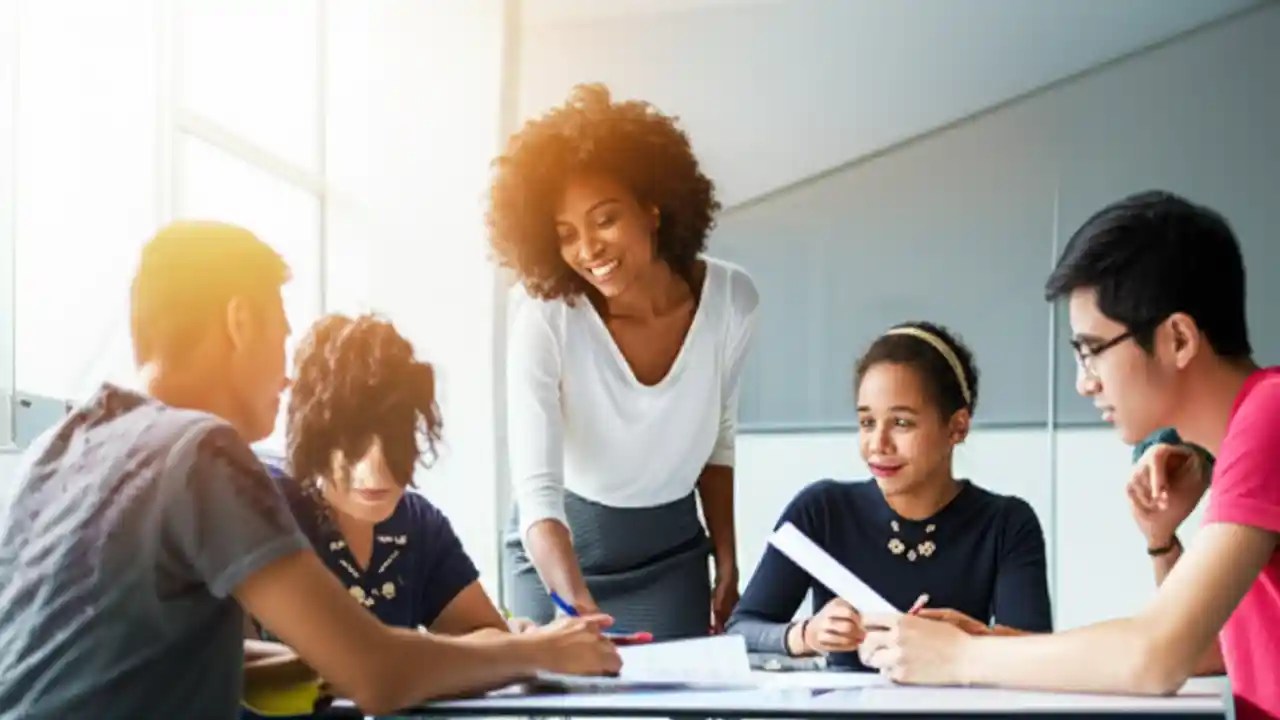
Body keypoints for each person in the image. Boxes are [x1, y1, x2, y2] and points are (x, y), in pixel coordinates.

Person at [0, 221, 619, 720]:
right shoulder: (201, 449)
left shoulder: (58, 449)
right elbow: (377, 677)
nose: (285, 373)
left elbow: (130, 651)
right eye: (279, 334)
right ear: (240, 321)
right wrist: (540, 650)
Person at [859, 191, 1279, 720]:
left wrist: (964, 655)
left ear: (1177, 338)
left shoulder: (1270, 416)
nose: (1084, 383)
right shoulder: (1255, 425)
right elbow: (1207, 651)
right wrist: (1161, 543)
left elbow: (1155, 658)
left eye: (1092, 350)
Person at [487, 83, 759, 638]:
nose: (588, 250)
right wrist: (576, 608)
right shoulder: (545, 314)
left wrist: (727, 556)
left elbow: (718, 437)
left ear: (653, 207)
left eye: (605, 219)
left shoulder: (732, 301)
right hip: (557, 551)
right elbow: (536, 492)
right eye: (565, 234)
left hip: (670, 556)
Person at [727, 322, 1052, 667]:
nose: (878, 445)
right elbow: (740, 633)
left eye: (901, 423)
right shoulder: (821, 511)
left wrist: (965, 640)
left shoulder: (1006, 523)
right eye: (867, 423)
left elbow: (1037, 656)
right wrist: (805, 634)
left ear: (957, 427)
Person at [259, 313, 528, 637]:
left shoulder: (418, 525)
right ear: (314, 431)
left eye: (395, 435)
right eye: (353, 439)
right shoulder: (271, 512)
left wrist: (514, 642)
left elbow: (489, 638)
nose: (376, 466)